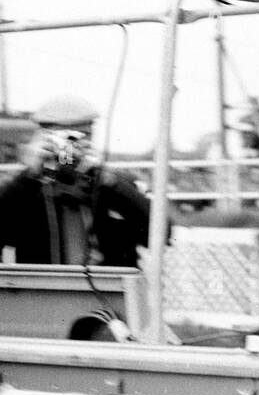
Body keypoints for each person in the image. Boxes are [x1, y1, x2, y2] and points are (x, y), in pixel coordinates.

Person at [0, 96, 151, 268]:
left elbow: (159, 235)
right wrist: (29, 177)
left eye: (80, 137)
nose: (70, 149)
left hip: (107, 291)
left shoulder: (113, 186)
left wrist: (107, 182)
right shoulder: (27, 192)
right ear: (43, 139)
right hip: (44, 291)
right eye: (64, 139)